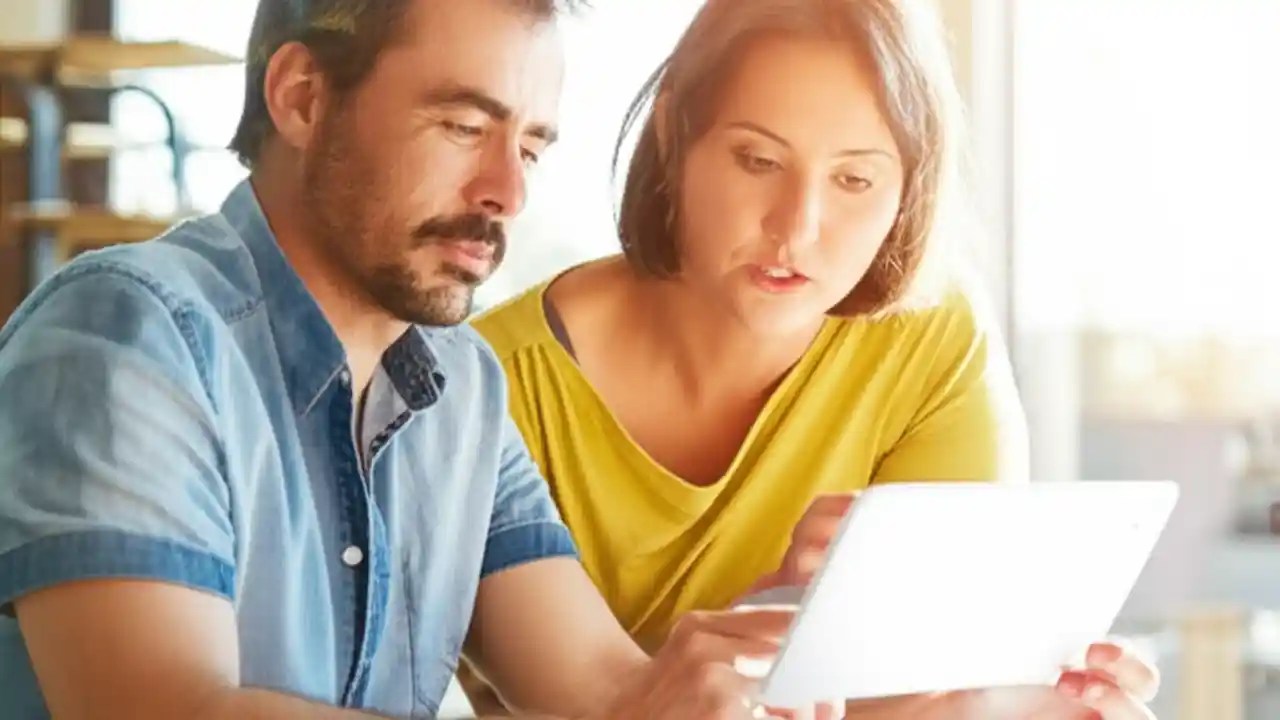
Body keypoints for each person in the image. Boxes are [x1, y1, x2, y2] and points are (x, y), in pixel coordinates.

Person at [0, 1, 804, 718]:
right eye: (463, 126)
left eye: (529, 148)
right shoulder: (125, 332)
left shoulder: (462, 385)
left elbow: (601, 691)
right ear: (302, 98)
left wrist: (740, 669)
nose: (506, 193)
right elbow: (172, 709)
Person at [470, 0, 1160, 718]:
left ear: (907, 186)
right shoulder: (487, 384)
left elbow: (945, 688)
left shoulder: (928, 338)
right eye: (758, 160)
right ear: (675, 135)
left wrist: (1033, 698)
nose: (796, 226)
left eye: (854, 180)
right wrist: (793, 617)